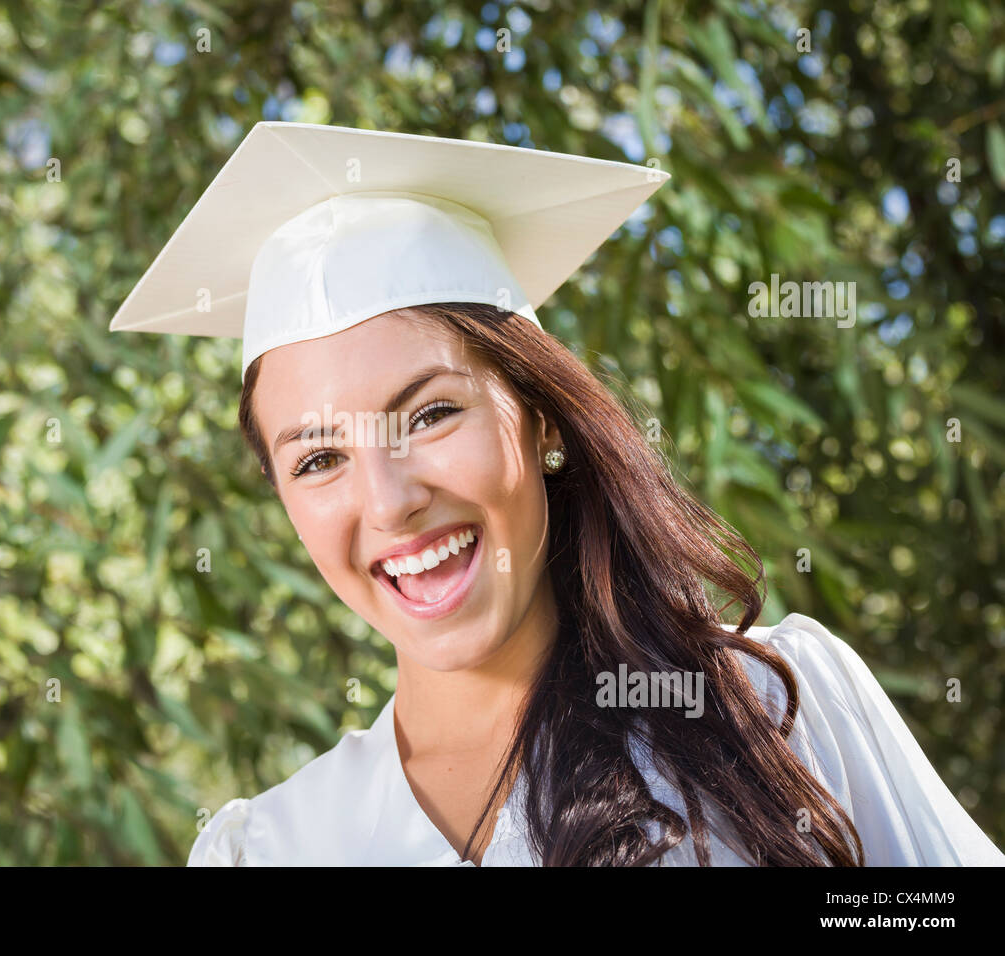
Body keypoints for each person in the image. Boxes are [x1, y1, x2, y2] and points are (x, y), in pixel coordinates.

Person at [111, 121, 1005, 866]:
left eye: (428, 415)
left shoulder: (775, 709)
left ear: (542, 419)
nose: (387, 503)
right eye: (317, 460)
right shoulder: (270, 850)